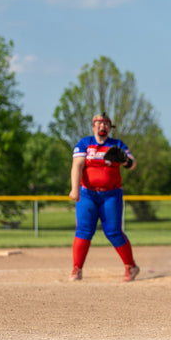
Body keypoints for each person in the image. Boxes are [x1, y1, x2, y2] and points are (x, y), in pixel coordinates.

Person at [68, 112, 139, 282]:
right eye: (99, 123)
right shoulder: (85, 143)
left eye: (106, 123)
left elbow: (132, 164)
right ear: (93, 126)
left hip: (111, 194)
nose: (102, 126)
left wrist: (124, 160)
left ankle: (131, 267)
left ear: (110, 127)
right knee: (83, 231)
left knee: (113, 232)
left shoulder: (117, 144)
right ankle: (76, 269)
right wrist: (74, 189)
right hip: (87, 194)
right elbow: (77, 166)